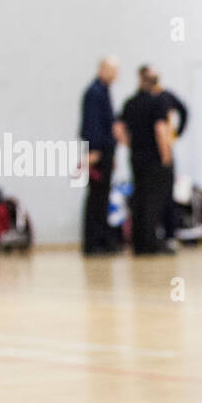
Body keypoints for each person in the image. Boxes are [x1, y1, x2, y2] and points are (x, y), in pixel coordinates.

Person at [118, 66, 175, 254]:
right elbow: (160, 130)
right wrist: (166, 155)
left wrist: (131, 145)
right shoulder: (158, 102)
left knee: (139, 199)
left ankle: (138, 243)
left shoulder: (130, 103)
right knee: (153, 201)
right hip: (155, 159)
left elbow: (118, 129)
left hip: (137, 159)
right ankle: (150, 244)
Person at [139, 66, 190, 247]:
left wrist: (175, 135)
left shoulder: (164, 97)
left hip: (162, 152)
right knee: (152, 199)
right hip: (150, 155)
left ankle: (169, 234)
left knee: (166, 196)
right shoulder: (141, 100)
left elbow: (182, 112)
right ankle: (156, 235)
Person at [79, 56, 120, 254]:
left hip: (106, 152)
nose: (116, 75)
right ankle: (93, 243)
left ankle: (101, 240)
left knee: (102, 198)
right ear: (103, 69)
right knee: (96, 197)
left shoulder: (103, 91)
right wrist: (94, 151)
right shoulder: (94, 93)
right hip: (98, 153)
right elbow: (92, 124)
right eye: (113, 70)